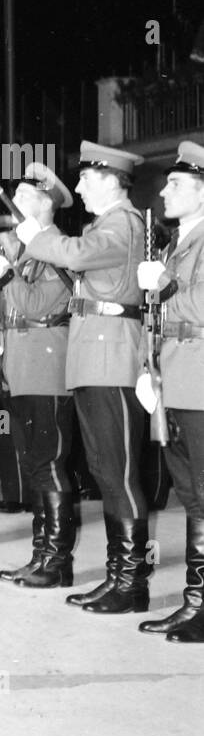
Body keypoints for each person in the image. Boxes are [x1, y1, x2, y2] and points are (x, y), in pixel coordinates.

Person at [16, 141, 150, 615]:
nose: (78, 186)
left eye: (87, 179)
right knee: (107, 470)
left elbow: (74, 254)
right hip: (95, 357)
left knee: (117, 473)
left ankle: (130, 582)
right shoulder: (108, 223)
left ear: (112, 181)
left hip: (112, 358)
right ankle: (120, 577)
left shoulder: (122, 223)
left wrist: (33, 226)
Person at [0, 166, 77, 588]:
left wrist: (5, 276)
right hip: (21, 369)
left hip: (46, 370)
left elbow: (39, 306)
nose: (14, 199)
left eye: (23, 192)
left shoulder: (54, 249)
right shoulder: (23, 251)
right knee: (35, 466)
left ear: (45, 201)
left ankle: (56, 561)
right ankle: (42, 555)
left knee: (49, 465)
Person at [136, 141, 204, 641]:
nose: (164, 189)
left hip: (200, 380)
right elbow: (154, 318)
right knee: (192, 496)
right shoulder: (176, 243)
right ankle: (195, 601)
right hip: (176, 379)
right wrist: (147, 366)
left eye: (176, 184)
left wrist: (167, 286)